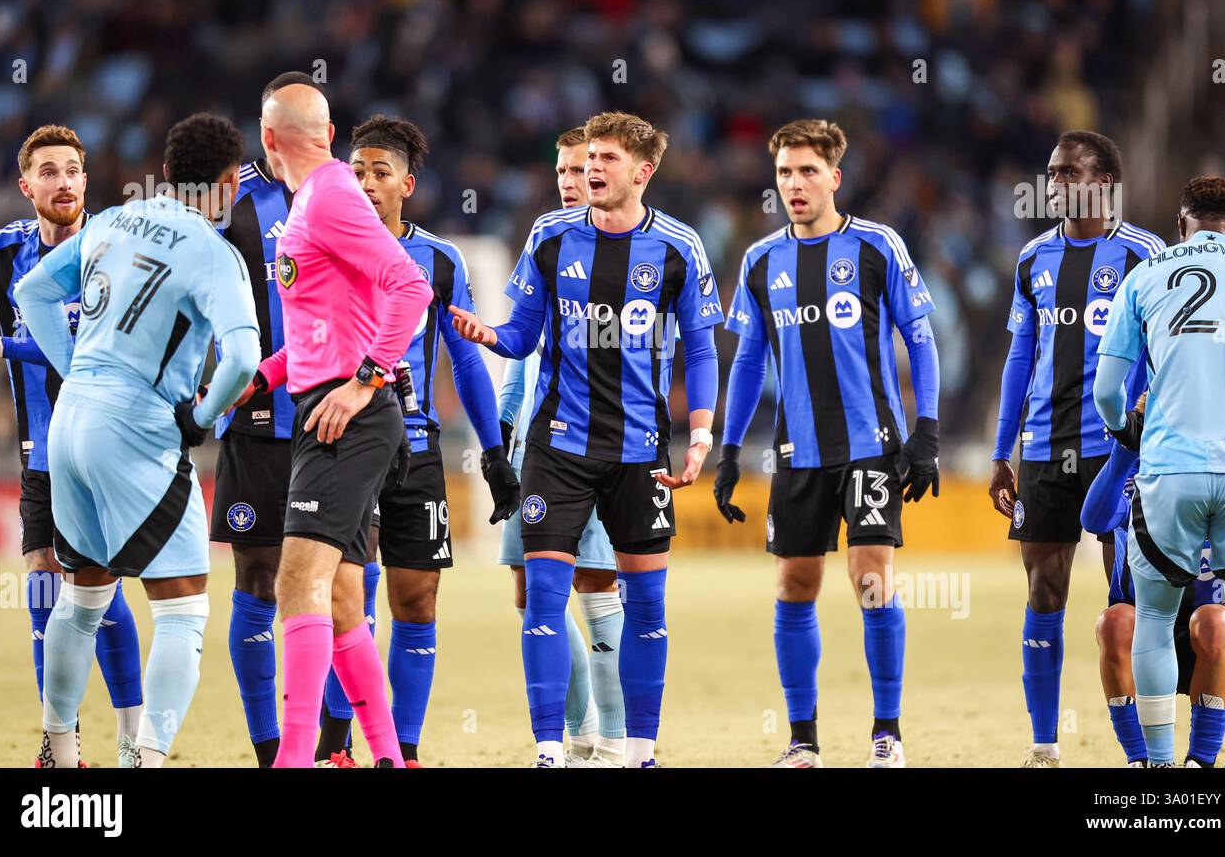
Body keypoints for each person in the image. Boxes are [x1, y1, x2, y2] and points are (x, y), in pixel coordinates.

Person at [451, 111, 721, 768]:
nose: (591, 169)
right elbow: (522, 336)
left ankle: (638, 750)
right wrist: (489, 336)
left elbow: (703, 349)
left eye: (605, 159)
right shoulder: (549, 236)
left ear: (642, 172)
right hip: (558, 450)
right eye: (585, 158)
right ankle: (550, 748)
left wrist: (703, 431)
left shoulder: (680, 248)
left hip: (639, 451)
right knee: (541, 597)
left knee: (645, 603)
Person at [15, 113, 260, 767]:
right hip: (135, 428)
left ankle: (62, 755)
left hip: (69, 422)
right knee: (182, 611)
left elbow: (32, 289)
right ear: (230, 181)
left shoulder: (114, 220)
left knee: (83, 596)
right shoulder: (214, 251)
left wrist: (75, 368)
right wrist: (200, 417)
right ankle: (144, 763)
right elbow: (243, 356)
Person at [715, 120, 940, 768]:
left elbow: (920, 340)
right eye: (784, 172)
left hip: (871, 444)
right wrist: (729, 452)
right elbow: (749, 360)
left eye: (808, 171)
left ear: (835, 178)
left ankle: (887, 733)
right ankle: (803, 740)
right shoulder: (761, 261)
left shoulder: (876, 246)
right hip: (798, 451)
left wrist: (925, 433)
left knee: (871, 579)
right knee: (794, 584)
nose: (794, 184)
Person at [237, 83, 432, 768]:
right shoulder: (316, 201)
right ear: (327, 131)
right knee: (345, 598)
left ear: (266, 139)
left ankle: (291, 762)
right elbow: (324, 329)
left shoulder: (330, 195)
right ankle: (388, 757)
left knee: (295, 582)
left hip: (348, 417)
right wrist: (261, 377)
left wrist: (365, 382)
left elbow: (414, 288)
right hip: (325, 406)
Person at [315, 113, 518, 767]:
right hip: (343, 443)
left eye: (381, 172)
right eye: (357, 171)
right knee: (347, 596)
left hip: (419, 450)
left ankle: (399, 751)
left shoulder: (439, 259)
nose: (367, 183)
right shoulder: (325, 246)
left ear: (407, 181)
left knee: (416, 598)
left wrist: (493, 453)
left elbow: (463, 362)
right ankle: (335, 744)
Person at [989, 130, 1164, 767]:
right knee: (1043, 591)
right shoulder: (1033, 258)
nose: (1054, 184)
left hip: (1121, 451)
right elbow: (1018, 357)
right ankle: (1044, 744)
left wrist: (1153, 433)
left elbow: (1168, 354)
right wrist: (1000, 450)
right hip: (1042, 447)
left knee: (1128, 600)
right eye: (1051, 173)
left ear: (1104, 181)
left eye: (1068, 173)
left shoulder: (1147, 256)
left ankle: (1145, 751)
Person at [0, 124, 142, 767]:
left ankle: (132, 740)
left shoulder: (118, 247)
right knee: (44, 586)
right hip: (42, 454)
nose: (63, 181)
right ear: (25, 187)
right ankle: (59, 745)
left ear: (86, 181)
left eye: (72, 169)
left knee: (102, 588)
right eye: (48, 171)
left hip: (108, 452)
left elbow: (86, 355)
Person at [1093, 175, 1225, 768]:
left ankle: (1161, 771)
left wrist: (1127, 433)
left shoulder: (1145, 276)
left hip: (1169, 469)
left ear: (1180, 224)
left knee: (1152, 616)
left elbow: (1107, 390)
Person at [497, 125, 627, 767]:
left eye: (583, 169)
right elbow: (521, 350)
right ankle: (575, 732)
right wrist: (500, 432)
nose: (572, 182)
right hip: (536, 446)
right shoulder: (549, 240)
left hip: (599, 441)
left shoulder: (627, 248)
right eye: (564, 173)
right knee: (531, 593)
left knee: (598, 585)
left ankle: (615, 735)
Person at [210, 71, 309, 768]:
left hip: (336, 418)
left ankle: (330, 746)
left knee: (341, 584)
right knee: (256, 577)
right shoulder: (231, 195)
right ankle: (268, 747)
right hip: (256, 421)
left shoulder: (344, 188)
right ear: (267, 130)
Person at [1080, 402, 1225, 768]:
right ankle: (1141, 760)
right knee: (1113, 622)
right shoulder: (1133, 474)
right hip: (1142, 625)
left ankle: (1201, 760)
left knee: (1216, 623)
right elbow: (1093, 518)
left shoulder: (1219, 467)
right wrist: (1125, 446)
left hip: (1201, 624)